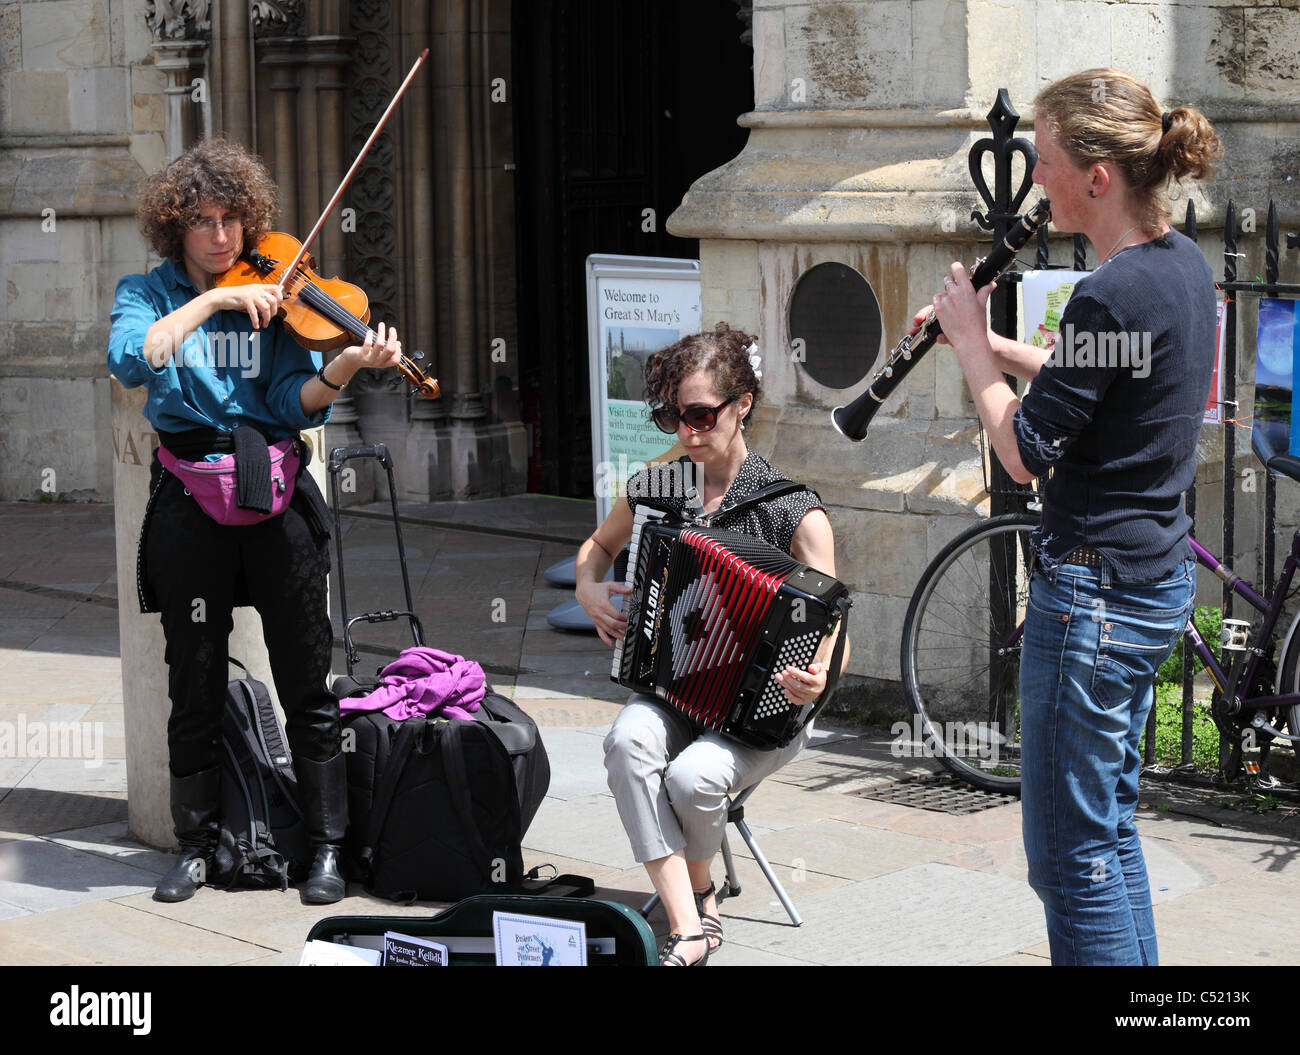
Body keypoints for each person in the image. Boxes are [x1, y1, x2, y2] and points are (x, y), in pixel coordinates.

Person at [927, 69, 1222, 964]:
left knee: (1069, 859)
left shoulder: (1110, 289)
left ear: (1099, 177)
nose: (1035, 179)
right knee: (1107, 838)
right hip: (1148, 585)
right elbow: (1090, 376)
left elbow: (1024, 452)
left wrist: (977, 356)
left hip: (1095, 599)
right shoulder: (1176, 269)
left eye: (1046, 161)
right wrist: (985, 337)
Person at [107, 138, 403, 904]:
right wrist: (214, 300)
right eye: (203, 222)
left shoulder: (279, 298)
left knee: (308, 678)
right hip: (188, 500)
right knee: (193, 681)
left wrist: (344, 366)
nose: (221, 237)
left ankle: (327, 847)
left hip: (274, 493)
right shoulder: (149, 292)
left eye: (232, 219)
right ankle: (196, 846)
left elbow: (289, 403)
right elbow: (131, 360)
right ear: (177, 229)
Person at [575, 323, 849, 965]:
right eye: (675, 416)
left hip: (762, 713)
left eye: (700, 415)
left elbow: (834, 627)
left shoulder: (793, 510)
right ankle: (692, 918)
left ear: (742, 404)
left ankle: (695, 906)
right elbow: (597, 548)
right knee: (626, 741)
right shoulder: (660, 486)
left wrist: (818, 674)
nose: (687, 433)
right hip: (675, 691)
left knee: (696, 776)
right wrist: (589, 585)